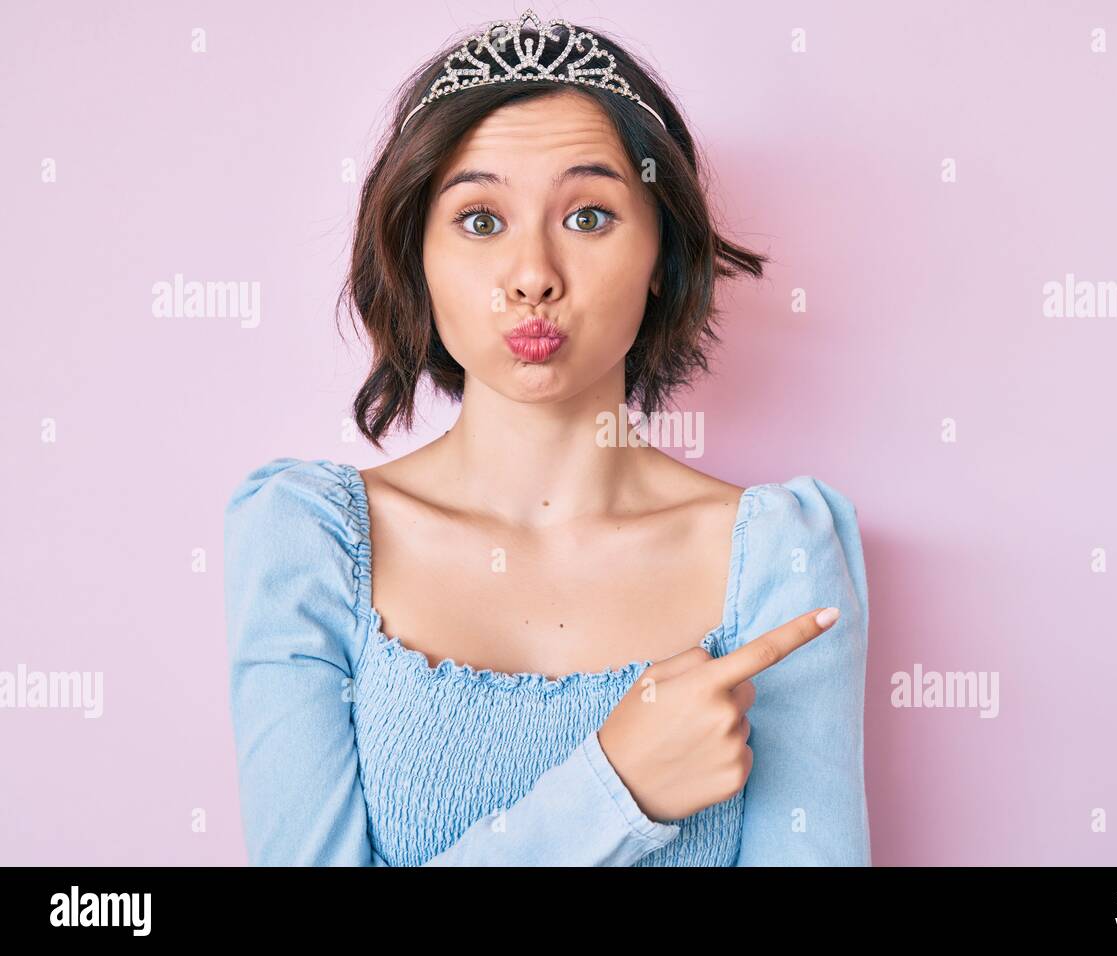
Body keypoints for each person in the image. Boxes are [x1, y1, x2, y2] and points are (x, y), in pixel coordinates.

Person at [223, 9, 870, 866]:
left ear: (661, 255)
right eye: (481, 220)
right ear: (416, 255)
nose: (532, 277)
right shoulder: (306, 539)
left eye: (590, 216)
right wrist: (616, 789)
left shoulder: (782, 553)